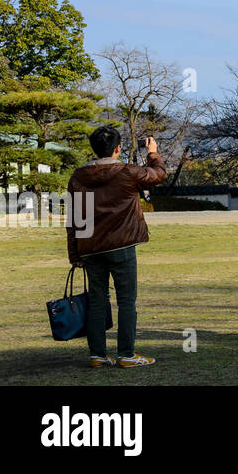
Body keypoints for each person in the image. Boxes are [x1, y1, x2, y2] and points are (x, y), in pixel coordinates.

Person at [65, 127, 167, 369]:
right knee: (126, 301)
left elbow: (73, 220)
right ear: (118, 148)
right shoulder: (127, 171)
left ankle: (98, 355)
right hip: (122, 244)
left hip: (90, 247)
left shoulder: (77, 177)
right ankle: (126, 354)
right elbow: (159, 175)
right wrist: (153, 153)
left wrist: (75, 253)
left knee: (97, 301)